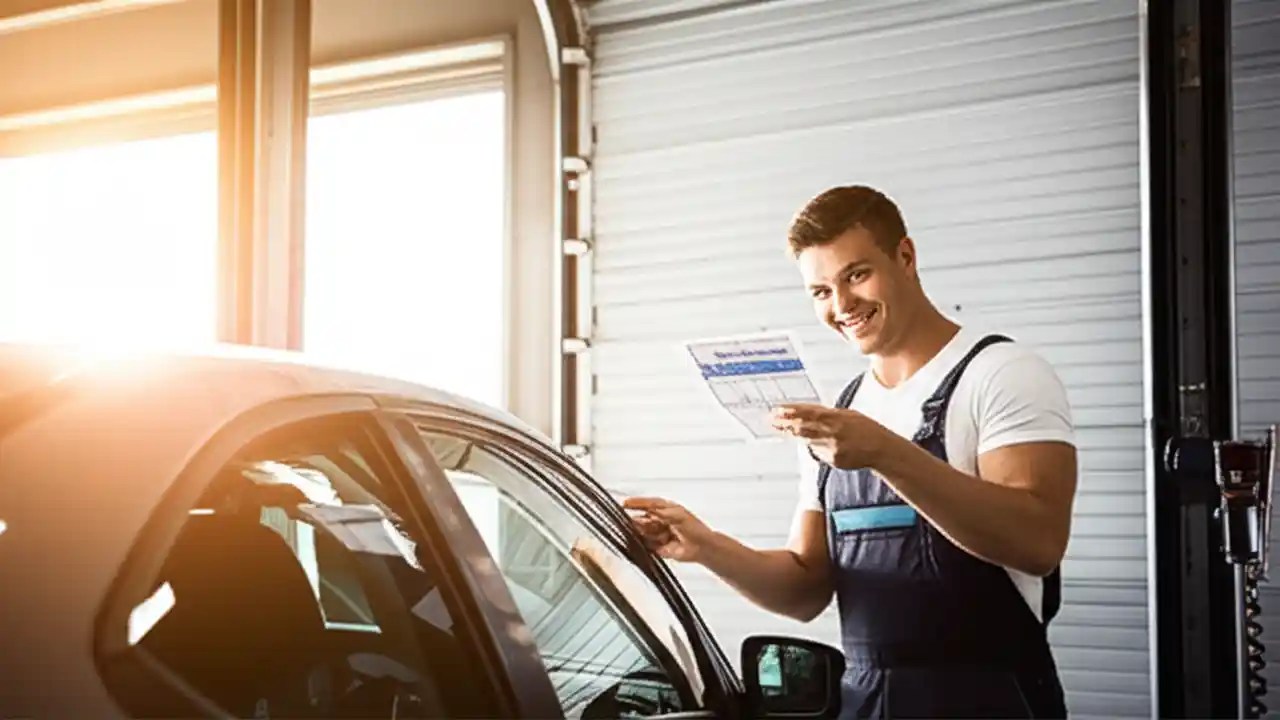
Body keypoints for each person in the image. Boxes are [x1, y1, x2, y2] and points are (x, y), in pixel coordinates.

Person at [625, 186, 1077, 719]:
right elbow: (806, 588)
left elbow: (1037, 541)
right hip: (866, 703)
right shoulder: (838, 415)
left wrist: (884, 452)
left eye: (856, 275)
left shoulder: (1002, 374)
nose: (842, 306)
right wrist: (706, 547)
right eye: (820, 291)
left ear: (904, 257)